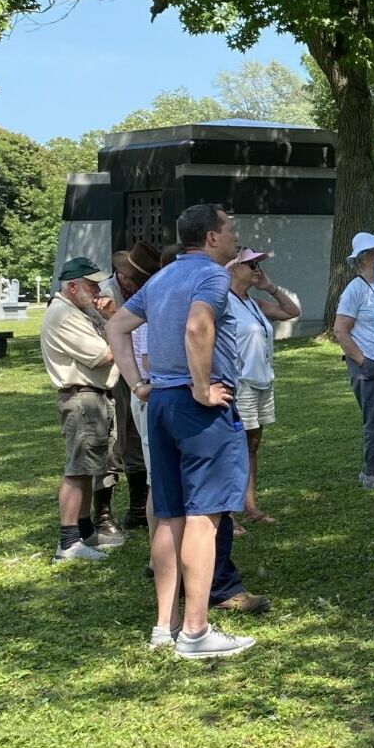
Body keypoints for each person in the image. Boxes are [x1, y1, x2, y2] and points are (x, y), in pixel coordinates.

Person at [106, 203, 256, 659]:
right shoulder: (211, 276)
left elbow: (116, 326)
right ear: (211, 237)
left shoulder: (160, 278)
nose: (233, 236)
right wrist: (203, 387)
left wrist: (137, 385)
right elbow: (197, 327)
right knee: (203, 517)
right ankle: (195, 631)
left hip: (161, 406)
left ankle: (163, 626)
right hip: (197, 408)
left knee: (169, 515)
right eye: (229, 229)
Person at [43, 256, 121, 563]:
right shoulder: (65, 315)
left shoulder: (80, 310)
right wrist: (119, 328)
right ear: (72, 286)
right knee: (77, 470)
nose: (98, 290)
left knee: (90, 467)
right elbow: (103, 355)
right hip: (82, 398)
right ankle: (68, 543)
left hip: (94, 396)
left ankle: (86, 532)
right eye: (91, 284)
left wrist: (111, 318)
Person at [224, 247, 301, 526]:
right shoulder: (223, 302)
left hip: (262, 381)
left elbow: (291, 311)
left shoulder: (253, 302)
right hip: (239, 383)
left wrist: (271, 287)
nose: (257, 269)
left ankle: (250, 506)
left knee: (252, 444)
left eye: (258, 264)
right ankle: (226, 514)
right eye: (250, 264)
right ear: (232, 268)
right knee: (234, 446)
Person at [99, 241, 161, 538]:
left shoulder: (146, 296)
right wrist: (139, 384)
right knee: (123, 438)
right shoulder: (108, 295)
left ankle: (139, 509)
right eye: (123, 275)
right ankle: (137, 512)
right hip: (127, 379)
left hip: (138, 381)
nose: (126, 279)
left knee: (140, 442)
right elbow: (129, 340)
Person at [335, 231, 374, 490]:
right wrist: (363, 361)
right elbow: (341, 330)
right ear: (364, 258)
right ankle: (372, 474)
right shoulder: (355, 289)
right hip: (368, 366)